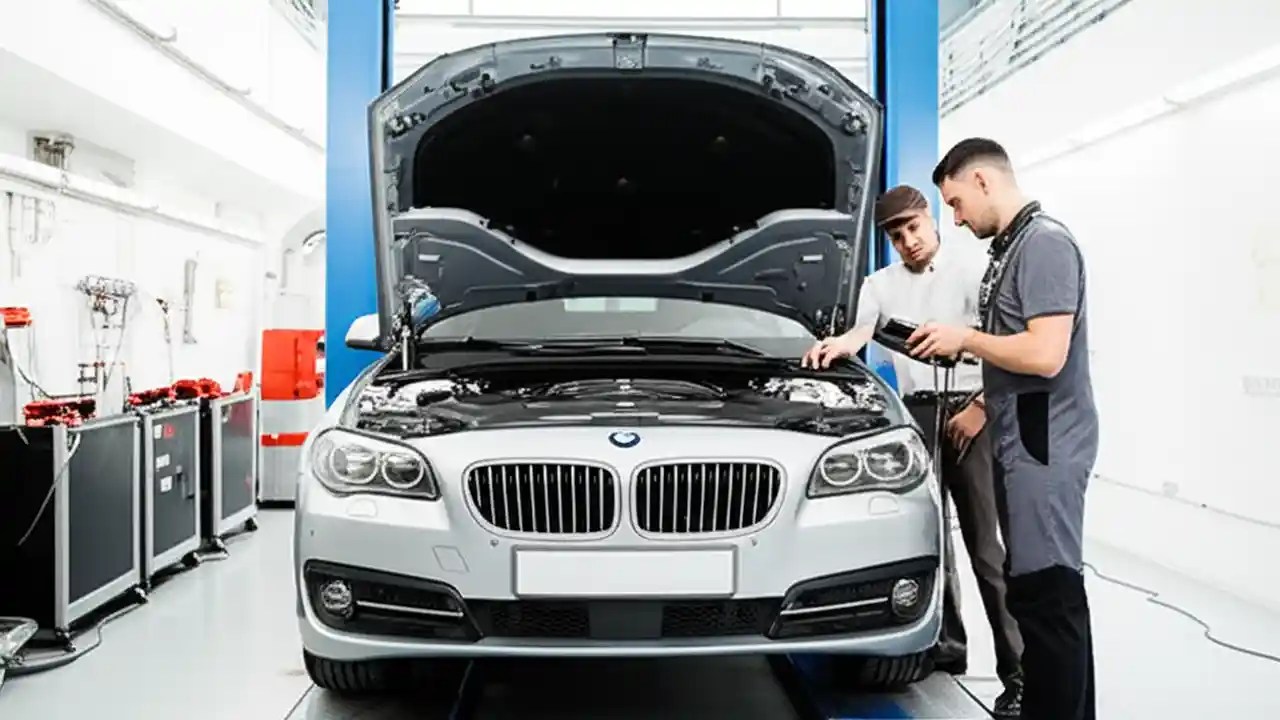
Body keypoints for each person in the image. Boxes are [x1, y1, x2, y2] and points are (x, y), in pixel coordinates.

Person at [802, 185, 1024, 717]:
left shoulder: (973, 272)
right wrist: (835, 347)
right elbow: (860, 332)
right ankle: (945, 646)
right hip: (914, 416)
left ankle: (1018, 675)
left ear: (931, 219)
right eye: (897, 236)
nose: (908, 242)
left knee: (985, 551)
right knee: (929, 544)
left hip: (971, 414)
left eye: (914, 229)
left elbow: (1002, 347)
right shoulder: (878, 285)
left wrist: (981, 409)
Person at [907, 138, 1098, 720]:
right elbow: (1013, 349)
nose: (957, 219)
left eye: (958, 203)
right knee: (1034, 593)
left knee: (1050, 597)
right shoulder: (1010, 251)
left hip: (1046, 445)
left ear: (984, 181)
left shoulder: (1044, 245)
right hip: (1020, 445)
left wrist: (964, 338)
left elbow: (1045, 353)